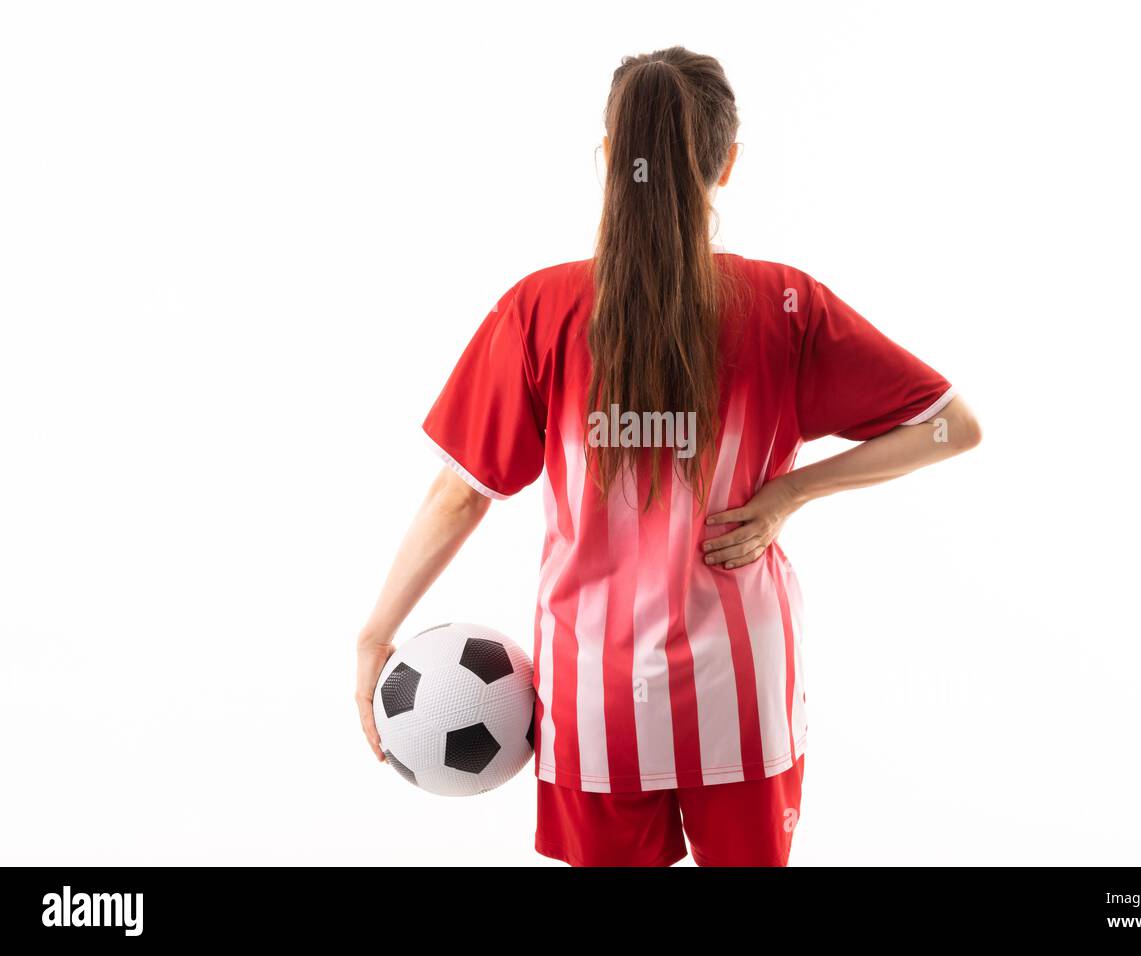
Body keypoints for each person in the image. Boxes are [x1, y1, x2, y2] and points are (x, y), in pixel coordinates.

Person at [355, 46, 981, 867]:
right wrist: (791, 492)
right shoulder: (784, 305)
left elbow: (460, 495)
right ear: (725, 164)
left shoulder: (540, 309)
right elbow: (949, 425)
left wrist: (376, 634)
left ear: (610, 157)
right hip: (740, 688)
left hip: (594, 700)